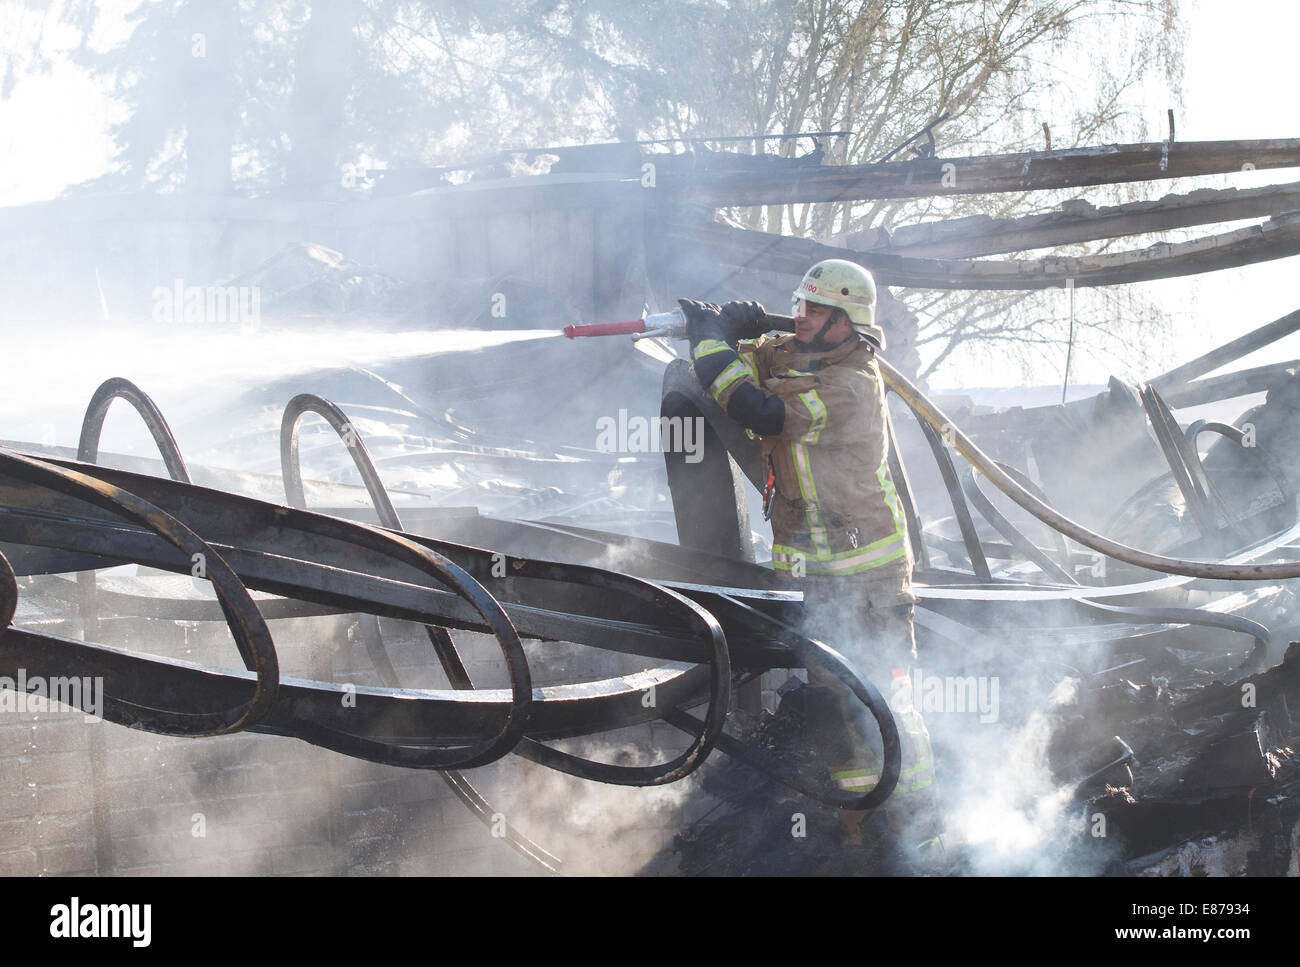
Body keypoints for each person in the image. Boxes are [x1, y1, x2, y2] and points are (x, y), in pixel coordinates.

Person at [680, 258, 939, 860]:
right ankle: (858, 820)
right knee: (834, 703)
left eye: (817, 310)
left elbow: (760, 411)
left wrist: (713, 346)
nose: (801, 317)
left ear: (849, 323)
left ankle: (918, 828)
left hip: (869, 577)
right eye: (800, 304)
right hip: (823, 578)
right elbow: (755, 365)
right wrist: (735, 331)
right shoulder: (801, 355)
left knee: (882, 700)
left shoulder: (850, 386)